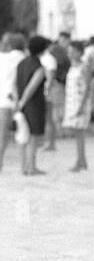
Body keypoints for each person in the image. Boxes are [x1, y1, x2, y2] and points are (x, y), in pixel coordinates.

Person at [12, 35, 51, 176]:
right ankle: (32, 166)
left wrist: (17, 102)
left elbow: (15, 85)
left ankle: (23, 167)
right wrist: (23, 102)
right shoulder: (39, 67)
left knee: (22, 135)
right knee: (33, 136)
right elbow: (31, 88)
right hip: (33, 104)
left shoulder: (21, 63)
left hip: (20, 104)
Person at [60, 39, 94, 171]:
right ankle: (82, 160)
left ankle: (80, 161)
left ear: (80, 52)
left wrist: (81, 106)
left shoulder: (84, 67)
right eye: (69, 52)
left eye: (73, 52)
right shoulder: (72, 67)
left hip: (81, 103)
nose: (70, 54)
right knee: (77, 133)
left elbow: (88, 88)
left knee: (79, 133)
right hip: (72, 102)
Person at [0, 31, 27, 173]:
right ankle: (24, 166)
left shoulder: (2, 58)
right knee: (23, 133)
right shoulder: (24, 58)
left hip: (3, 100)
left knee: (2, 135)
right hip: (19, 100)